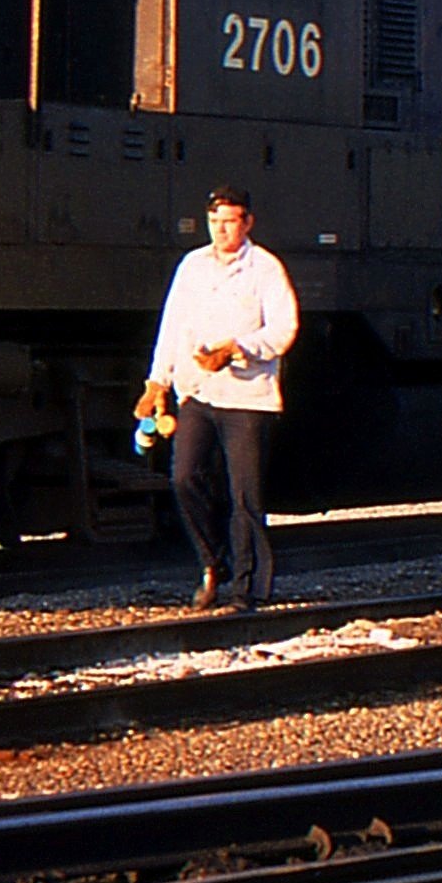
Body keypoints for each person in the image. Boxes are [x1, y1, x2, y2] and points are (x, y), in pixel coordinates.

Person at [137, 186, 299, 609]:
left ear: (247, 223)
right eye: (214, 221)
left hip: (247, 398)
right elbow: (173, 327)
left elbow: (284, 329)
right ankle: (214, 562)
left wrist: (238, 349)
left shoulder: (266, 269)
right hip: (198, 392)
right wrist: (157, 382)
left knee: (245, 496)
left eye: (229, 221)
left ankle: (247, 590)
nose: (221, 230)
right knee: (184, 478)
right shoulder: (192, 266)